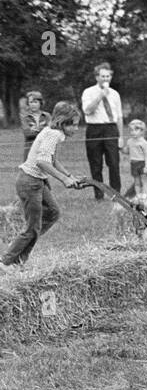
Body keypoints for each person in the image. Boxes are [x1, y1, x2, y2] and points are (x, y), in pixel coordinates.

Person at [1, 101, 87, 269]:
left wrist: (70, 176)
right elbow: (42, 162)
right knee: (33, 227)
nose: (76, 129)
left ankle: (19, 255)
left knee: (53, 213)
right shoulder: (53, 134)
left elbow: (53, 160)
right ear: (63, 122)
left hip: (37, 181)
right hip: (29, 182)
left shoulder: (54, 133)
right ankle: (6, 261)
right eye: (74, 125)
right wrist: (64, 180)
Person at [80, 62, 124, 201]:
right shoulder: (88, 92)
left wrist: (121, 136)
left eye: (108, 76)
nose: (106, 79)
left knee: (113, 162)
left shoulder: (115, 94)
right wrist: (100, 96)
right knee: (95, 163)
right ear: (97, 77)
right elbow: (87, 110)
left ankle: (116, 194)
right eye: (103, 76)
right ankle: (99, 194)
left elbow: (119, 116)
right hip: (94, 129)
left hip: (110, 129)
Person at [126, 119, 147, 200]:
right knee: (136, 180)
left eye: (136, 130)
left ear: (141, 131)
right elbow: (127, 151)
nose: (133, 132)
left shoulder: (144, 143)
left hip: (142, 163)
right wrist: (121, 149)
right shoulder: (129, 141)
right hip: (133, 163)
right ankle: (138, 194)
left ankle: (144, 194)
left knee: (144, 180)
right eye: (131, 130)